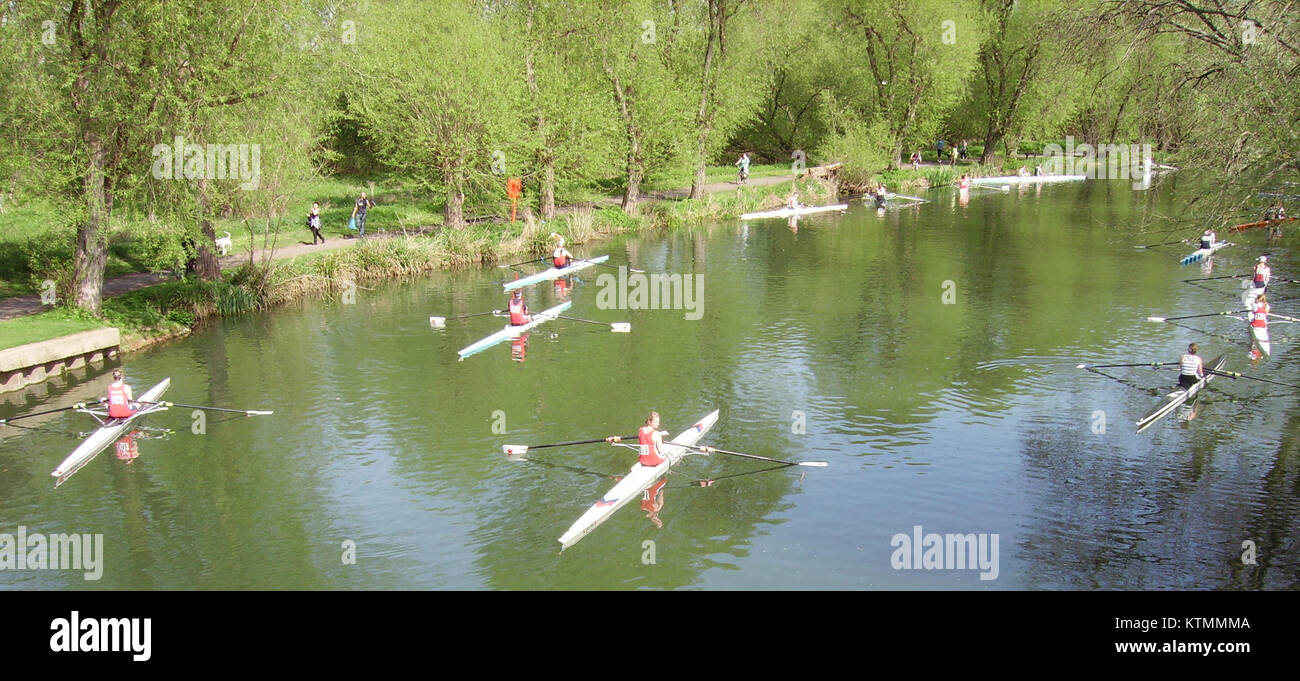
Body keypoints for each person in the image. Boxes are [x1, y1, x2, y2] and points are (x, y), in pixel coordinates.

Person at [607, 411, 672, 467]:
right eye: (656, 422)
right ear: (649, 421)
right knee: (668, 452)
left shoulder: (640, 430)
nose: (658, 424)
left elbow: (647, 436)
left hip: (642, 461)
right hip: (655, 461)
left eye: (658, 422)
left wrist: (615, 438)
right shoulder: (657, 434)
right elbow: (661, 451)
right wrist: (661, 437)